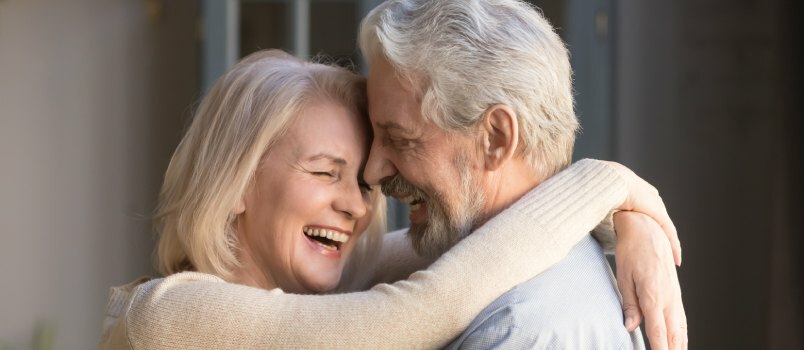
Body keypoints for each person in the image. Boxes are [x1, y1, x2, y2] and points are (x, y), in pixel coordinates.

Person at [99, 50, 680, 349]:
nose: (355, 205)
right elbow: (427, 306)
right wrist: (608, 183)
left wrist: (629, 222)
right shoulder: (169, 317)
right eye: (325, 172)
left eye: (361, 183)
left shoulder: (327, 284)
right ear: (239, 183)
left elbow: (487, 238)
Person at [358, 0, 686, 349]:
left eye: (399, 139)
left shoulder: (514, 329)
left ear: (495, 139)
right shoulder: (528, 288)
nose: (372, 170)